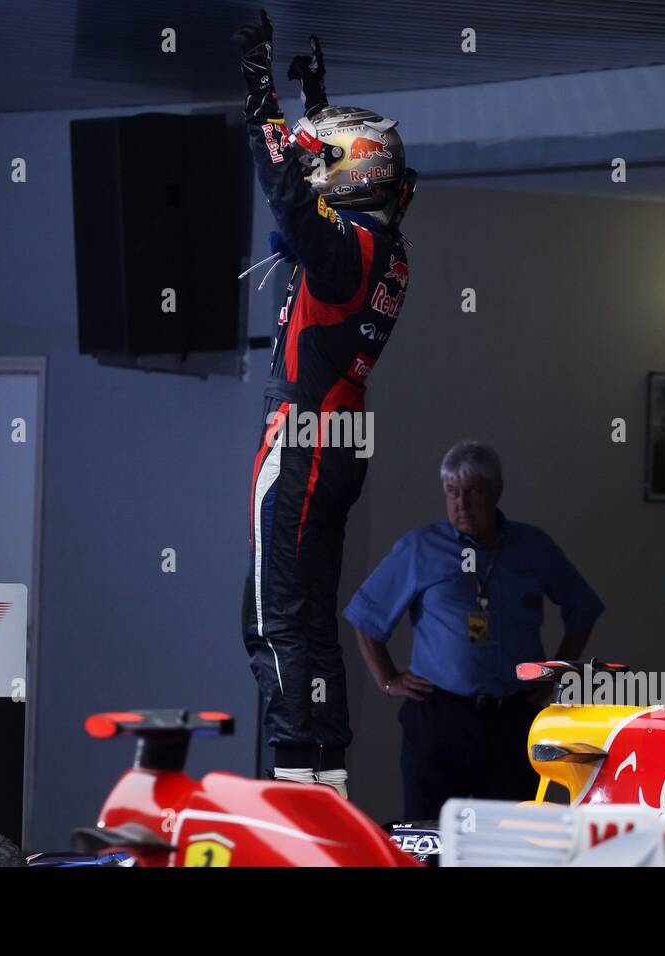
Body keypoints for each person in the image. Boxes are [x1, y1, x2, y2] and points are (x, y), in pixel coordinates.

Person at [233, 11, 418, 797]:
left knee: (276, 621)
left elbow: (289, 199)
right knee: (306, 618)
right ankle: (325, 783)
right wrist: (315, 101)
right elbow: (314, 191)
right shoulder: (381, 243)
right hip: (337, 437)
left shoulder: (347, 247)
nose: (313, 164)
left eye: (325, 157)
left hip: (304, 439)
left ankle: (295, 784)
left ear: (351, 171)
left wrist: (261, 105)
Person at [344, 441, 604, 821]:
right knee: (430, 838)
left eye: (473, 491)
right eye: (452, 491)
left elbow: (583, 608)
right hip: (439, 719)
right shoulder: (421, 548)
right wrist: (387, 680)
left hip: (511, 718)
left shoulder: (533, 547)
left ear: (497, 492)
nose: (461, 503)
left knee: (510, 837)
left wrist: (558, 673)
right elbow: (366, 617)